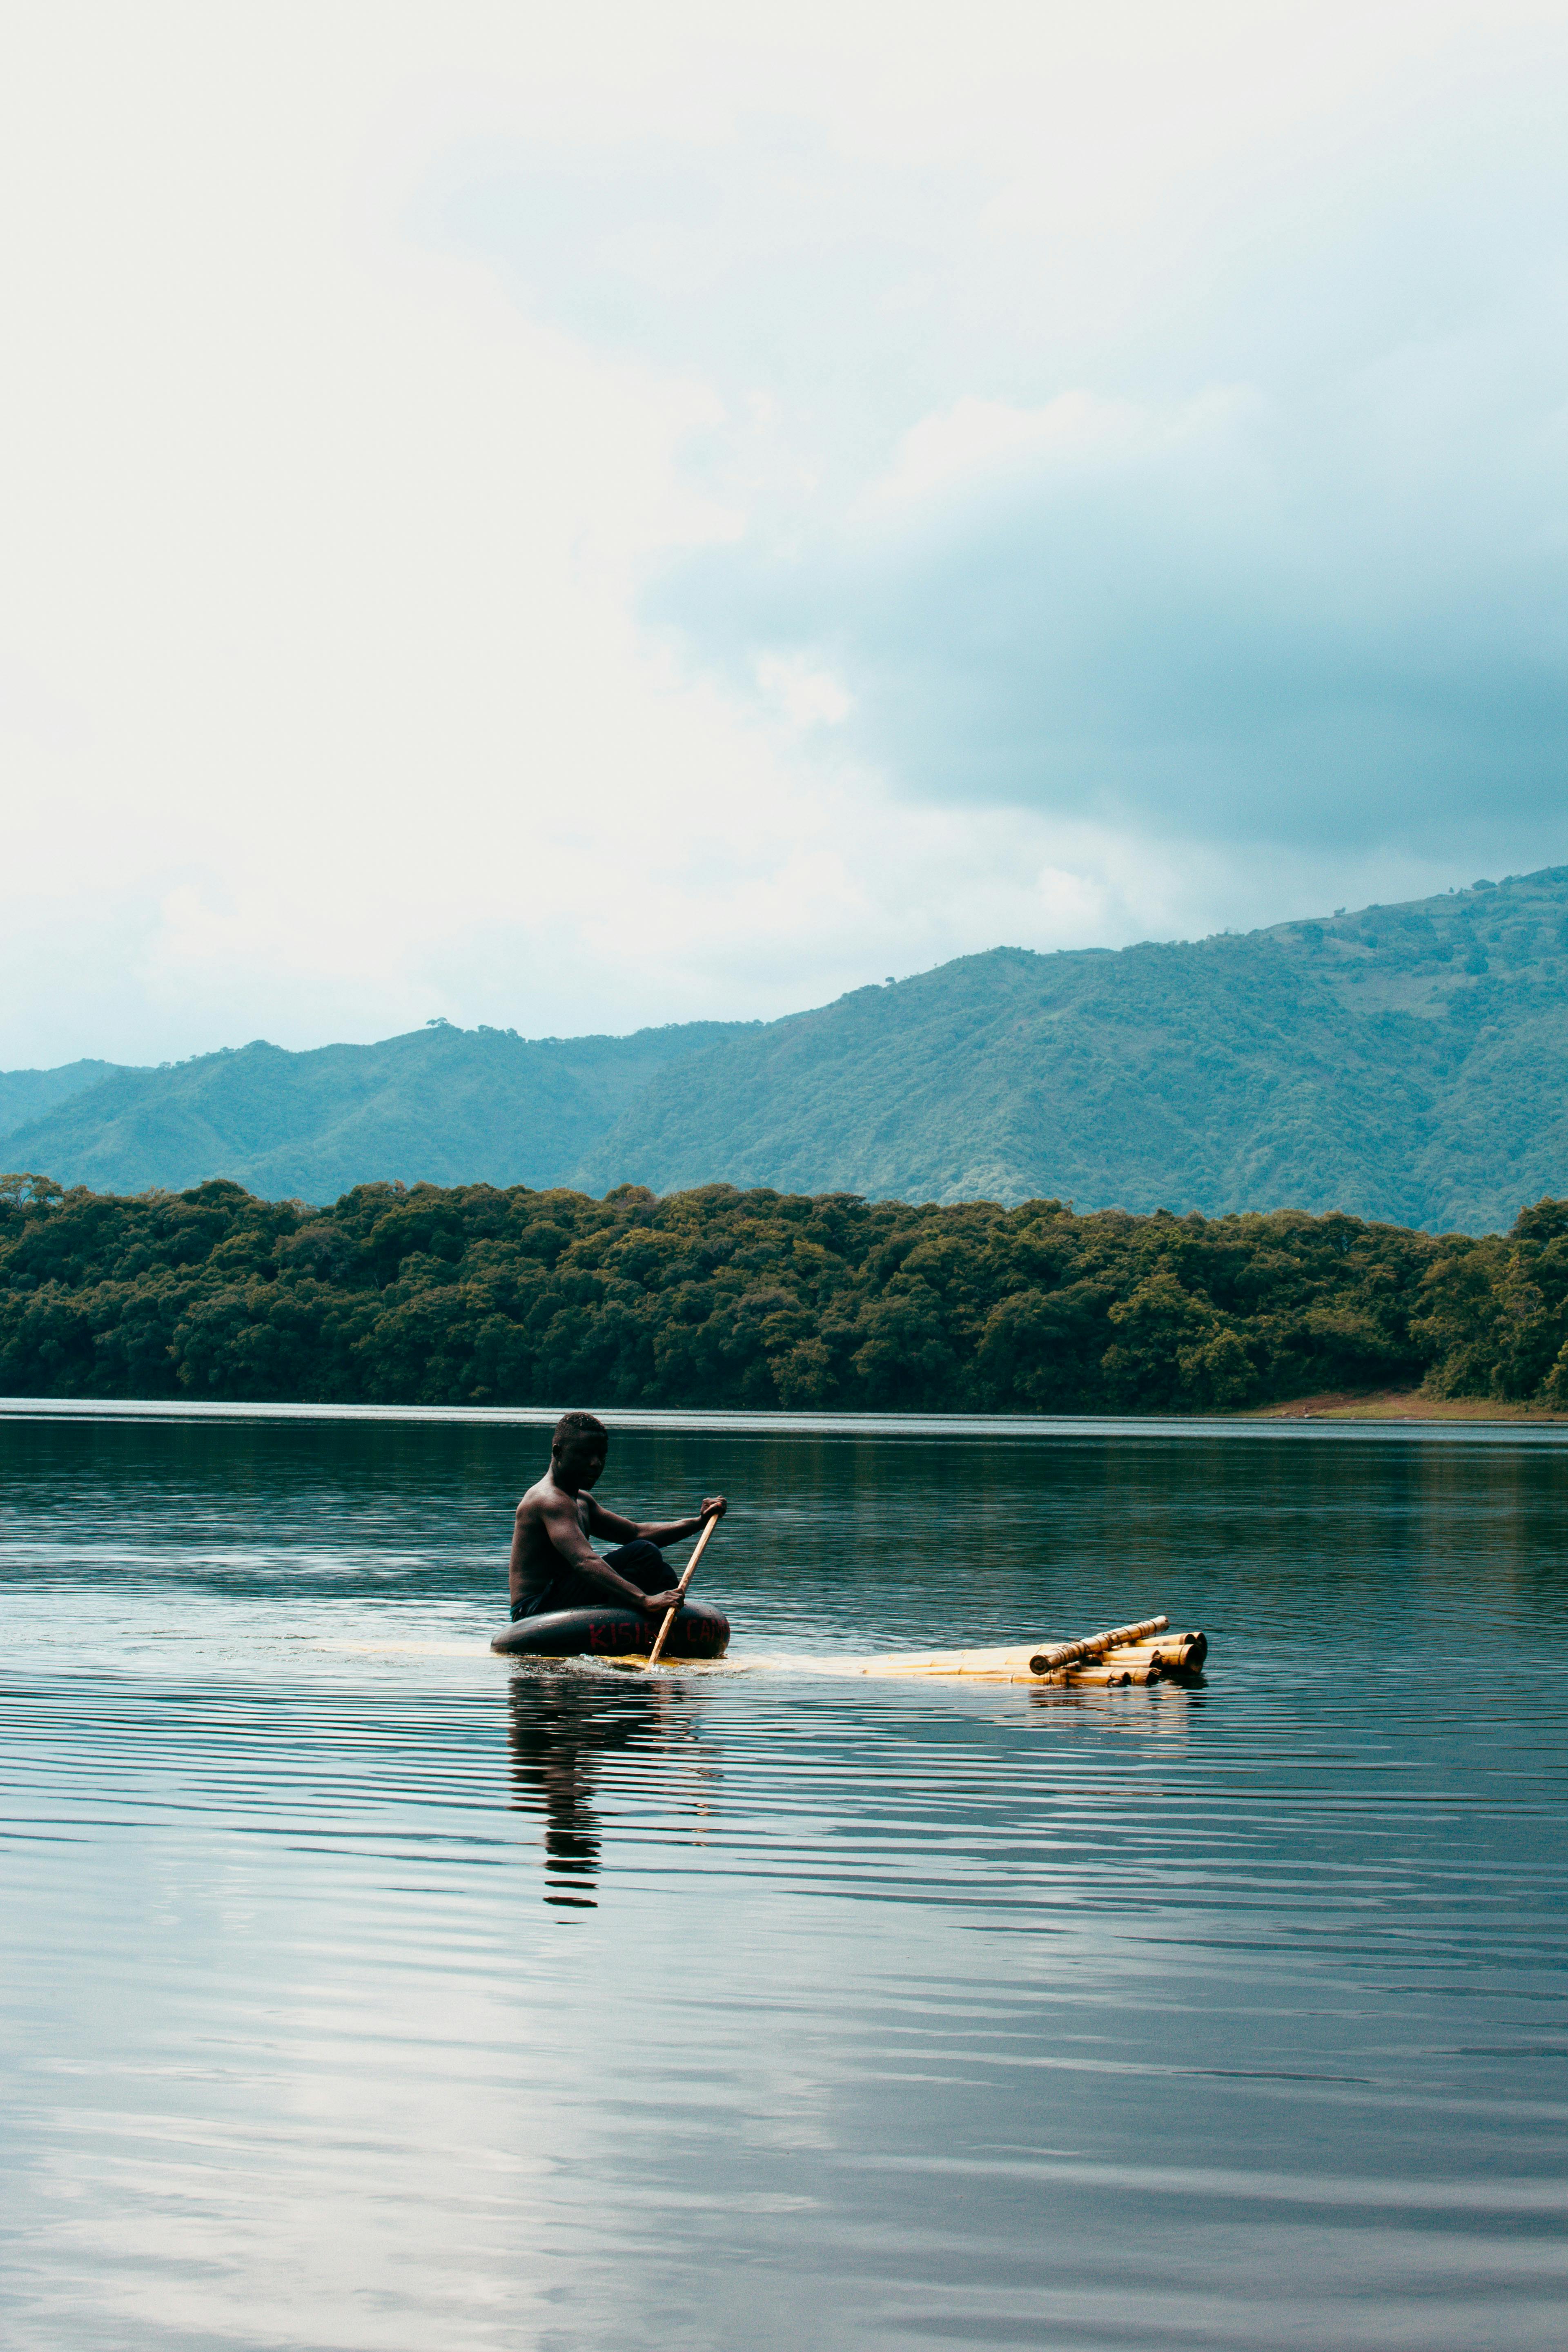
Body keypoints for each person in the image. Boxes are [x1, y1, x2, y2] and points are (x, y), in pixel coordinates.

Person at [508, 1410, 726, 1622]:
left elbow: (636, 1532)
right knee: (643, 1552)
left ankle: (655, 1625)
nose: (596, 1463)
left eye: (601, 1456)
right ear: (558, 1453)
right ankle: (638, 1612)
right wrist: (644, 1600)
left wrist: (699, 1522)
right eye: (585, 1455)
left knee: (661, 1571)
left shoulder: (582, 1501)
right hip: (534, 1610)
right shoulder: (550, 1500)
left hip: (564, 1595)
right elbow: (584, 1561)